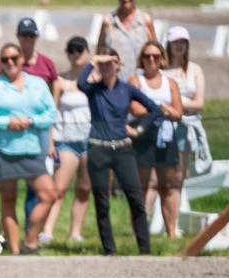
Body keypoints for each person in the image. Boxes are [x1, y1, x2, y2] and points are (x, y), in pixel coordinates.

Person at [0, 44, 58, 255]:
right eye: (5, 59)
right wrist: (6, 123)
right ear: (0, 62)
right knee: (8, 200)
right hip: (3, 149)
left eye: (14, 57)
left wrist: (30, 121)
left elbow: (51, 114)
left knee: (49, 195)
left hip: (31, 149)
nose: (10, 62)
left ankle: (30, 243)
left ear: (22, 59)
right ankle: (15, 251)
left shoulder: (38, 84)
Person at [78, 48, 161, 255]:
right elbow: (80, 83)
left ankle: (145, 250)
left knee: (136, 200)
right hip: (98, 148)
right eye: (102, 64)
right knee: (102, 201)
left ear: (118, 65)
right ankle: (110, 251)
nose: (106, 67)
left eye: (110, 63)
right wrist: (93, 60)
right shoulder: (94, 89)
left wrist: (139, 129)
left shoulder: (127, 89)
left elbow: (155, 109)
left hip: (123, 150)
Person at [128, 40, 184, 238]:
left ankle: (170, 231)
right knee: (141, 187)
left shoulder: (170, 83)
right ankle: (139, 233)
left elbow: (178, 112)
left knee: (167, 186)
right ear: (142, 59)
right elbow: (134, 109)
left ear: (162, 59)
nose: (151, 59)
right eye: (147, 56)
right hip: (143, 137)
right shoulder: (136, 81)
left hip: (165, 136)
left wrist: (156, 109)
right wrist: (160, 109)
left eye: (156, 56)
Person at [42, 36, 94, 245]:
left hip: (89, 141)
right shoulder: (60, 81)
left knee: (84, 188)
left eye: (80, 50)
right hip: (66, 141)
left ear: (88, 52)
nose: (76, 54)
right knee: (59, 188)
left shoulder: (95, 81)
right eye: (71, 50)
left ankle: (75, 233)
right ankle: (47, 231)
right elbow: (51, 113)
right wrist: (50, 142)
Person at [163, 25, 208, 183]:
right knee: (163, 172)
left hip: (187, 123)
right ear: (169, 44)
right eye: (175, 42)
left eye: (183, 42)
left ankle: (176, 206)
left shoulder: (195, 69)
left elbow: (199, 103)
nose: (179, 45)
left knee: (180, 174)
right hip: (166, 123)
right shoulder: (162, 70)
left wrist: (174, 103)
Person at [97, 0, 156, 80]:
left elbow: (155, 51)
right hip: (114, 82)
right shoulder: (108, 21)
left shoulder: (145, 20)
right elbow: (99, 52)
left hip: (140, 81)